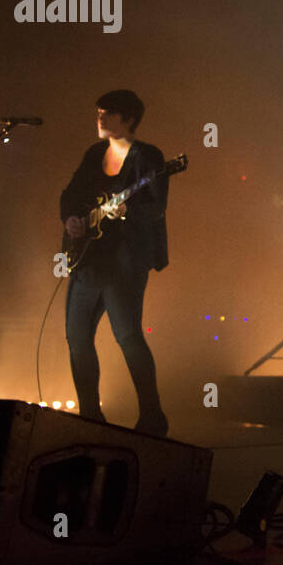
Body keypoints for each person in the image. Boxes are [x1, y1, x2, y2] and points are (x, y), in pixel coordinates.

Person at [60, 90, 170, 437]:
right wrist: (70, 220)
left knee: (127, 335)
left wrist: (127, 210)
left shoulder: (148, 157)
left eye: (108, 113)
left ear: (129, 119)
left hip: (126, 258)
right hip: (90, 257)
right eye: (99, 112)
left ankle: (152, 415)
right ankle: (91, 416)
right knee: (77, 337)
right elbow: (70, 194)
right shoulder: (94, 154)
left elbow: (155, 207)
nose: (100, 118)